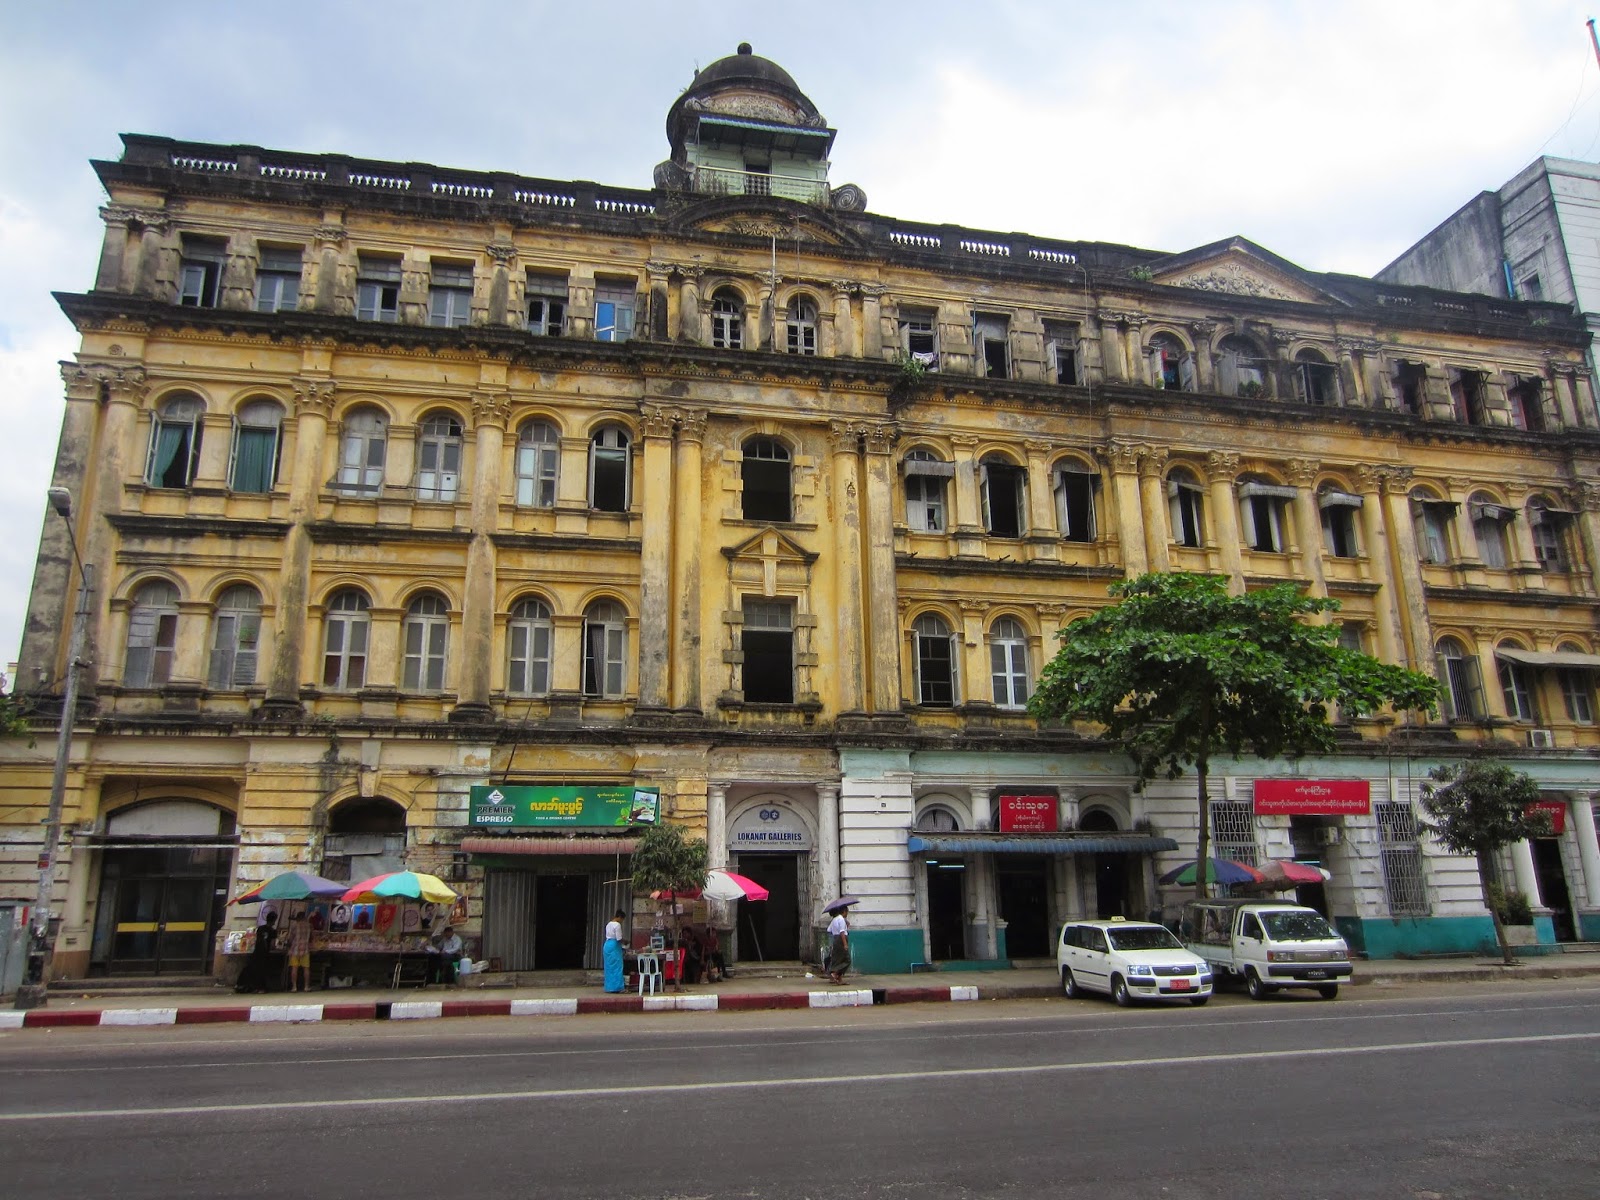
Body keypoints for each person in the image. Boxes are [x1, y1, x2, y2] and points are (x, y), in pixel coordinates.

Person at [236, 910, 279, 994]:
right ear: (274, 921)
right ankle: (261, 988)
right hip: (265, 954)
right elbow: (272, 945)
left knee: (254, 969)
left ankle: (252, 986)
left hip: (257, 952)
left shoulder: (260, 928)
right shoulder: (273, 931)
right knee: (262, 971)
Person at [285, 911, 312, 992]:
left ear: (298, 918)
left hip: (295, 949)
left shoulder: (294, 925)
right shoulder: (309, 925)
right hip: (305, 949)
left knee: (294, 968)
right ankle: (306, 986)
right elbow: (311, 937)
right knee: (306, 968)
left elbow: (290, 938)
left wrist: (288, 944)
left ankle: (294, 987)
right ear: (304, 917)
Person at [603, 909, 626, 993]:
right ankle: (618, 987)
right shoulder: (617, 925)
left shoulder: (608, 924)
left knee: (609, 967)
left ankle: (609, 987)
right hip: (614, 946)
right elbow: (619, 938)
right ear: (619, 917)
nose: (622, 921)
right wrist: (626, 942)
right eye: (622, 919)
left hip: (607, 945)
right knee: (617, 967)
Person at [826, 907, 851, 985]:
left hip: (835, 939)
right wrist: (845, 944)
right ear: (844, 911)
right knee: (847, 960)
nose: (847, 914)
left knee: (837, 959)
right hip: (841, 940)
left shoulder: (834, 919)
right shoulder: (841, 919)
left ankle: (838, 979)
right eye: (847, 912)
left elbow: (829, 930)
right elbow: (842, 932)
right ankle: (835, 974)